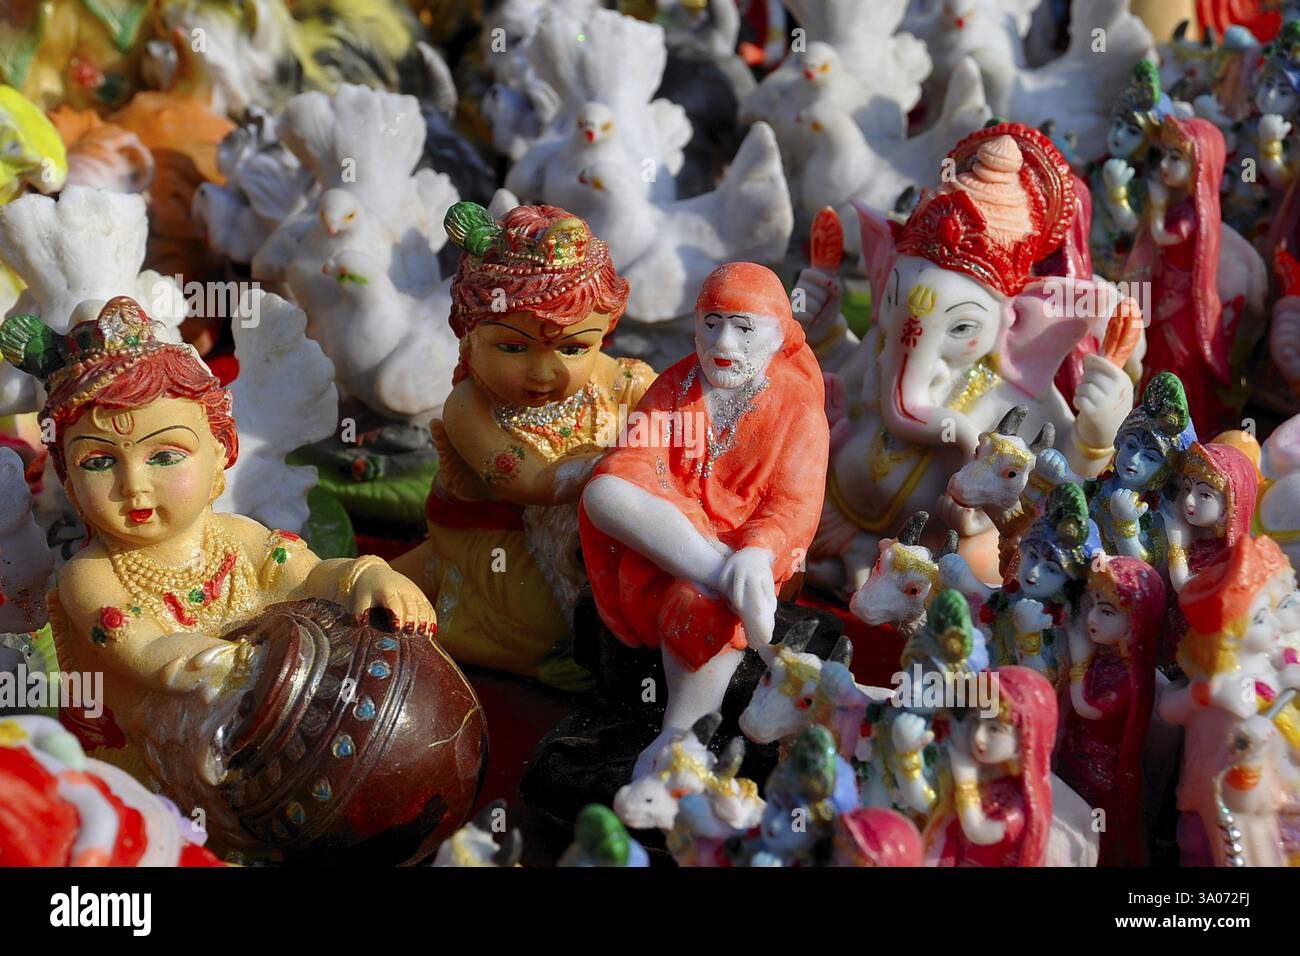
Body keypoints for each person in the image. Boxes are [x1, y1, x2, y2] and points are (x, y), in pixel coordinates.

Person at [579, 262, 829, 777]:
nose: (725, 342)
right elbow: (632, 462)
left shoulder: (798, 407)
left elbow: (794, 506)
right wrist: (717, 554)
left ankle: (682, 736)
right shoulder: (678, 383)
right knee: (603, 490)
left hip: (752, 549)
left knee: (697, 604)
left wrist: (759, 551)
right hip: (679, 539)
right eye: (711, 322)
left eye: (744, 327)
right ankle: (722, 573)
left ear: (779, 334)